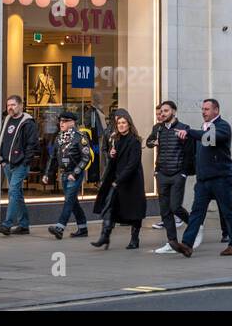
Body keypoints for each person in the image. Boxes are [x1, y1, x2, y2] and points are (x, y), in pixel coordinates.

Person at [171, 99, 232, 257]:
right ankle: (187, 245)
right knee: (196, 213)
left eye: (207, 109)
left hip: (221, 178)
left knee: (227, 210)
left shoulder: (223, 127)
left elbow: (209, 138)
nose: (203, 112)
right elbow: (197, 152)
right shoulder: (203, 128)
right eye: (202, 109)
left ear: (216, 110)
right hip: (203, 180)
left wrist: (189, 132)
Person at [91, 108, 146, 250]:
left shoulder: (134, 141)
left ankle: (135, 239)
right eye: (119, 123)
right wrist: (111, 154)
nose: (121, 125)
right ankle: (105, 236)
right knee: (109, 207)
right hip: (117, 180)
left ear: (129, 124)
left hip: (131, 181)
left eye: (123, 122)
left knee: (134, 211)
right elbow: (114, 161)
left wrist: (119, 180)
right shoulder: (116, 140)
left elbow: (132, 164)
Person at [147, 100, 195, 254]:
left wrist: (184, 172)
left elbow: (190, 153)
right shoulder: (158, 128)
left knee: (175, 207)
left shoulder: (184, 128)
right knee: (165, 210)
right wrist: (153, 143)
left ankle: (195, 224)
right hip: (162, 174)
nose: (162, 114)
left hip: (177, 174)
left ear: (174, 112)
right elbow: (148, 142)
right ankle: (172, 242)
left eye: (166, 111)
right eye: (161, 111)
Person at [0, 94, 39, 236]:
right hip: (7, 163)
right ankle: (24, 225)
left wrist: (25, 162)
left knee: (13, 191)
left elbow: (33, 145)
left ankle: (7, 224)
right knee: (17, 194)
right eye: (8, 105)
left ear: (20, 105)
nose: (10, 108)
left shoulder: (28, 123)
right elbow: (2, 140)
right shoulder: (7, 120)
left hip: (20, 164)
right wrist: (1, 158)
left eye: (13, 105)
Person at [42, 111, 92, 239]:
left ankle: (60, 227)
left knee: (69, 200)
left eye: (64, 121)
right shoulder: (60, 137)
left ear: (72, 122)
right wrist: (47, 173)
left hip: (74, 174)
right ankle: (83, 228)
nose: (61, 123)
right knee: (73, 202)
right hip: (64, 174)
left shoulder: (80, 137)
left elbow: (86, 158)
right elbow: (53, 157)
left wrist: (75, 173)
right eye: (60, 121)